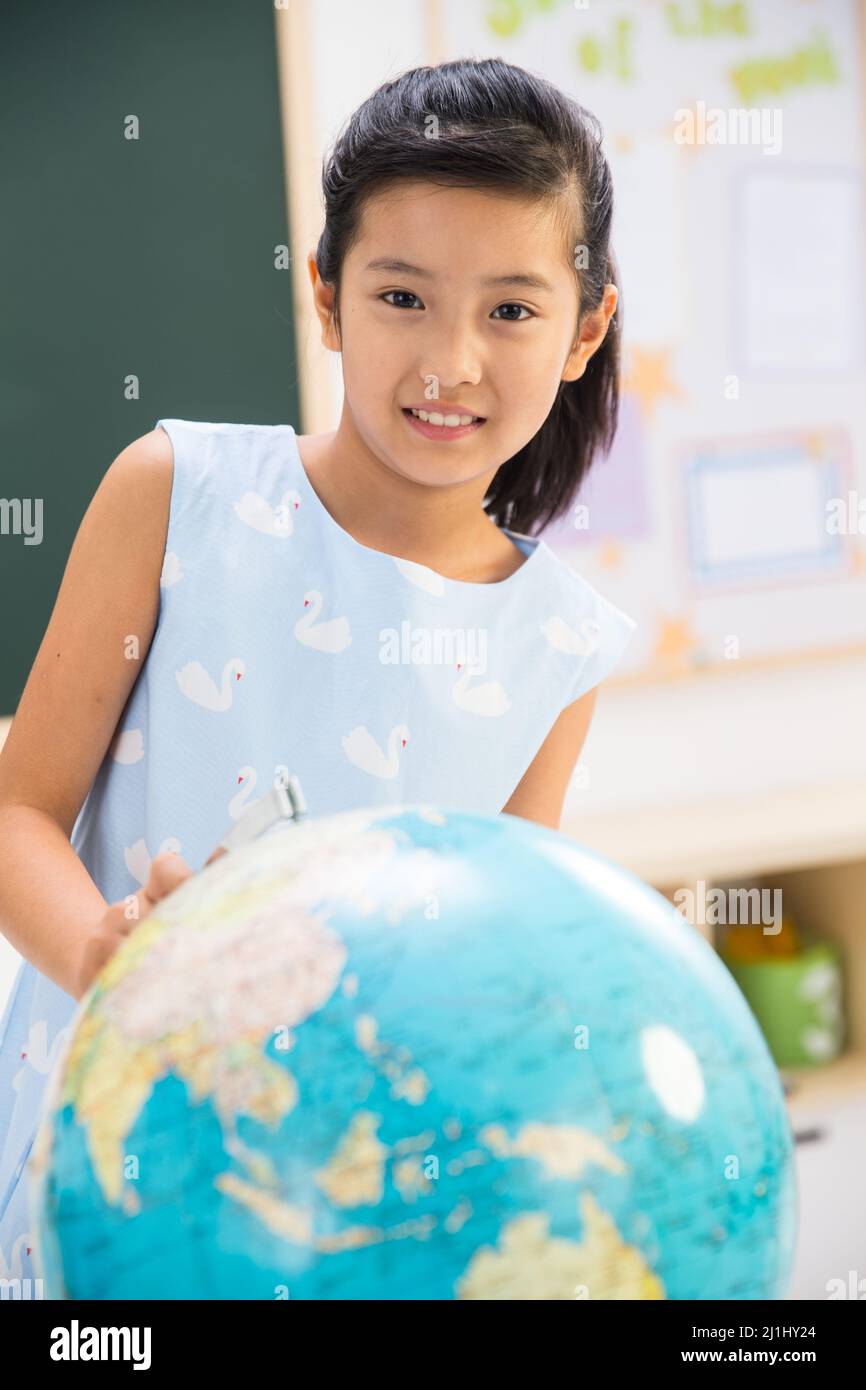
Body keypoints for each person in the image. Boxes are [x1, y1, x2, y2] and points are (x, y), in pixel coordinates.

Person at [0, 57, 636, 1283]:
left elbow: (484, 953)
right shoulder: (176, 491)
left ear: (584, 328)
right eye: (403, 296)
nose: (449, 361)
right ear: (329, 299)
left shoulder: (560, 642)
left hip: (335, 1202)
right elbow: (18, 808)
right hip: (93, 1156)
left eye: (509, 309)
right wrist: (104, 956)